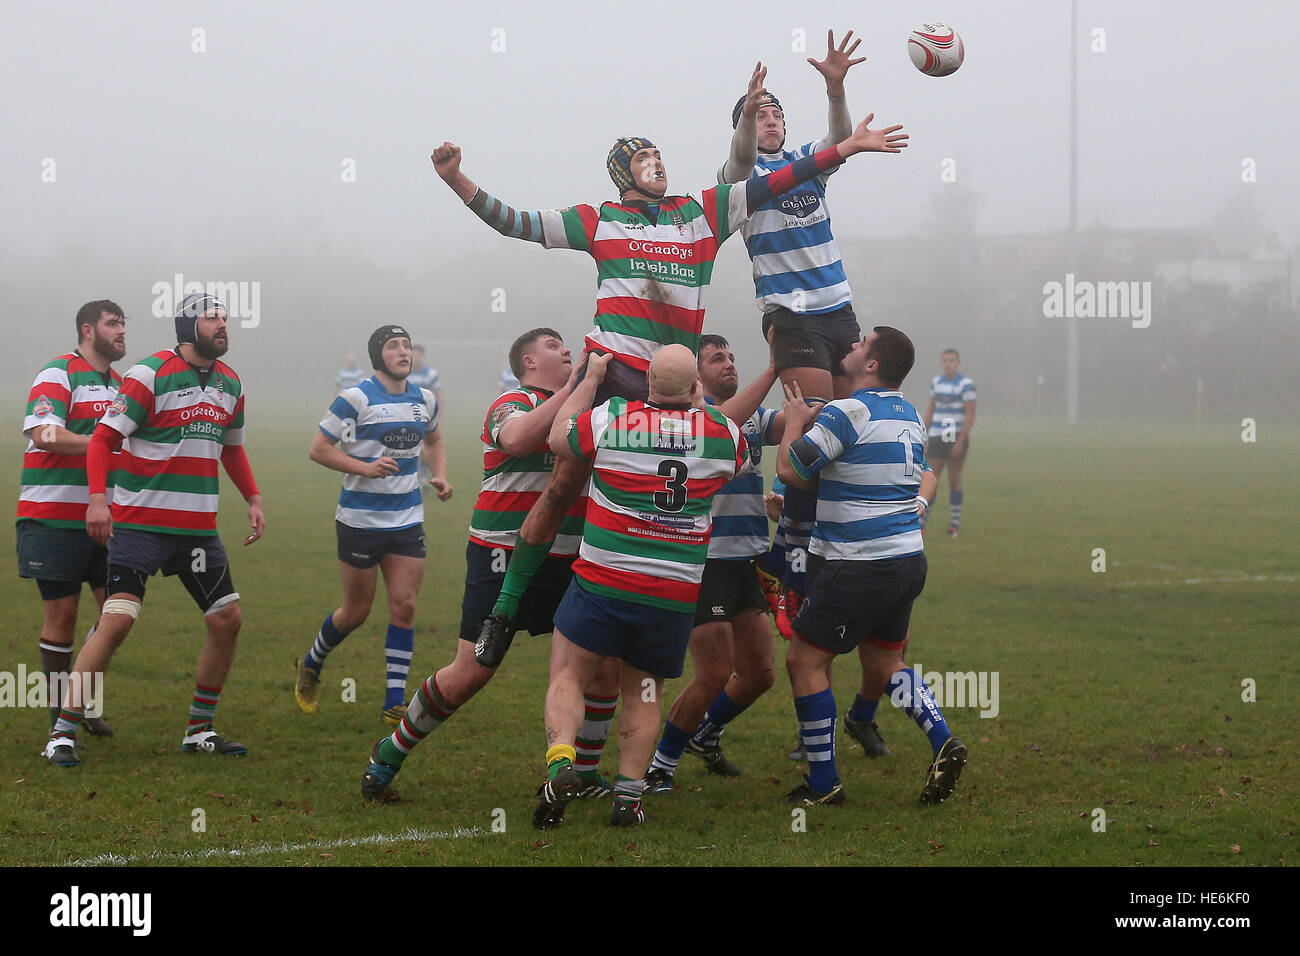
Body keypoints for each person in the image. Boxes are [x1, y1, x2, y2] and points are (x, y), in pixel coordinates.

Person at [430, 62, 910, 659]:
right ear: (621, 175)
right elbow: (516, 223)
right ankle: (504, 612)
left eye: (660, 154)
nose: (657, 164)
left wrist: (844, 147)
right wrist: (457, 180)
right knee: (561, 488)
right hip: (614, 374)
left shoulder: (700, 213)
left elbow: (777, 182)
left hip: (677, 387)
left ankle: (724, 592)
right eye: (643, 158)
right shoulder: (598, 219)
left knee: (685, 497)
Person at [358, 329, 620, 818]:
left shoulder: (587, 409)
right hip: (501, 554)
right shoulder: (511, 402)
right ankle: (389, 753)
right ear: (527, 359)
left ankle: (581, 774)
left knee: (603, 666)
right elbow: (520, 438)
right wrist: (574, 389)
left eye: (567, 345)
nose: (566, 351)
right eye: (554, 345)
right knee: (473, 672)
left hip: (569, 557)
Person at [721, 30, 904, 653]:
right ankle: (791, 556)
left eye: (775, 113)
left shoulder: (808, 161)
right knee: (813, 421)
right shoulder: (738, 182)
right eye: (759, 114)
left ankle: (825, 538)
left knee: (850, 422)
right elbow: (744, 153)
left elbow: (836, 142)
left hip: (838, 312)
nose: (769, 120)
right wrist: (745, 116)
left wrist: (835, 89)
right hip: (791, 317)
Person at [41, 293, 266, 767]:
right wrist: (99, 500)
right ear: (188, 327)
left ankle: (199, 729)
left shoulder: (231, 383)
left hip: (198, 532)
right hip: (141, 527)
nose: (222, 325)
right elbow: (104, 439)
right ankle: (62, 732)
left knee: (227, 620)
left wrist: (253, 498)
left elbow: (232, 449)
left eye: (225, 317)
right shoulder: (150, 373)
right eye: (211, 318)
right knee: (117, 620)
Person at [535, 345, 750, 827]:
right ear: (697, 387)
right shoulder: (723, 435)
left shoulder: (612, 417)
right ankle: (629, 797)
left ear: (646, 382)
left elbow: (558, 438)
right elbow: (737, 463)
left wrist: (589, 381)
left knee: (569, 674)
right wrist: (694, 412)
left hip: (604, 579)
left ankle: (562, 765)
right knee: (645, 691)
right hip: (672, 593)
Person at [775, 326, 966, 806]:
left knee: (804, 661)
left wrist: (797, 420)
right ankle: (943, 740)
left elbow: (790, 472)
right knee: (885, 662)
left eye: (861, 345)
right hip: (907, 559)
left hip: (858, 562)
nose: (852, 346)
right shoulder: (909, 416)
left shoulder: (849, 410)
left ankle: (824, 785)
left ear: (872, 365)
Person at [644, 335, 783, 792]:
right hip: (703, 562)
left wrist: (837, 398)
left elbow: (792, 423)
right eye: (717, 358)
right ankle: (660, 766)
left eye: (731, 355)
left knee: (760, 673)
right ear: (695, 377)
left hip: (746, 560)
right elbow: (724, 421)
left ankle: (705, 734)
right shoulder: (696, 419)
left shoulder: (756, 417)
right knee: (714, 672)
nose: (729, 363)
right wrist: (774, 368)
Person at [295, 326, 451, 726]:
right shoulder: (355, 399)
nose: (402, 352)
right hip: (360, 520)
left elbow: (434, 440)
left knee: (405, 605)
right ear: (377, 355)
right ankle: (312, 662)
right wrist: (365, 468)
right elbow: (319, 449)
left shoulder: (424, 399)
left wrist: (440, 475)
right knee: (356, 612)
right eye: (392, 346)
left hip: (407, 517)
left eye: (405, 345)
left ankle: (393, 701)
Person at [18, 300, 127, 738]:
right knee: (62, 616)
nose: (121, 331)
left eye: (123, 323)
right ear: (88, 330)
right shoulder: (58, 373)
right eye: (112, 323)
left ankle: (76, 703)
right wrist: (99, 443)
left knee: (115, 617)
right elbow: (42, 432)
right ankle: (60, 721)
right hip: (52, 517)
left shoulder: (122, 385)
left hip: (108, 519)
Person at [922, 349, 976, 537]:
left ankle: (954, 525)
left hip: (953, 435)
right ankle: (921, 523)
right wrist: (924, 435)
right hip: (938, 435)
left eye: (951, 360)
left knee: (954, 480)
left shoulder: (966, 385)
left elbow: (970, 414)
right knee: (931, 480)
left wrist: (960, 442)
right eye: (945, 360)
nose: (948, 364)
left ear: (958, 362)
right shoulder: (936, 383)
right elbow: (930, 411)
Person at [408, 345, 443, 496]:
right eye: (413, 355)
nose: (416, 358)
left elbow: (439, 396)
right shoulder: (404, 374)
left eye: (418, 355)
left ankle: (422, 480)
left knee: (423, 449)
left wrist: (438, 417)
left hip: (425, 418)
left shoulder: (430, 375)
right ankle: (415, 479)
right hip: (406, 418)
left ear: (423, 357)